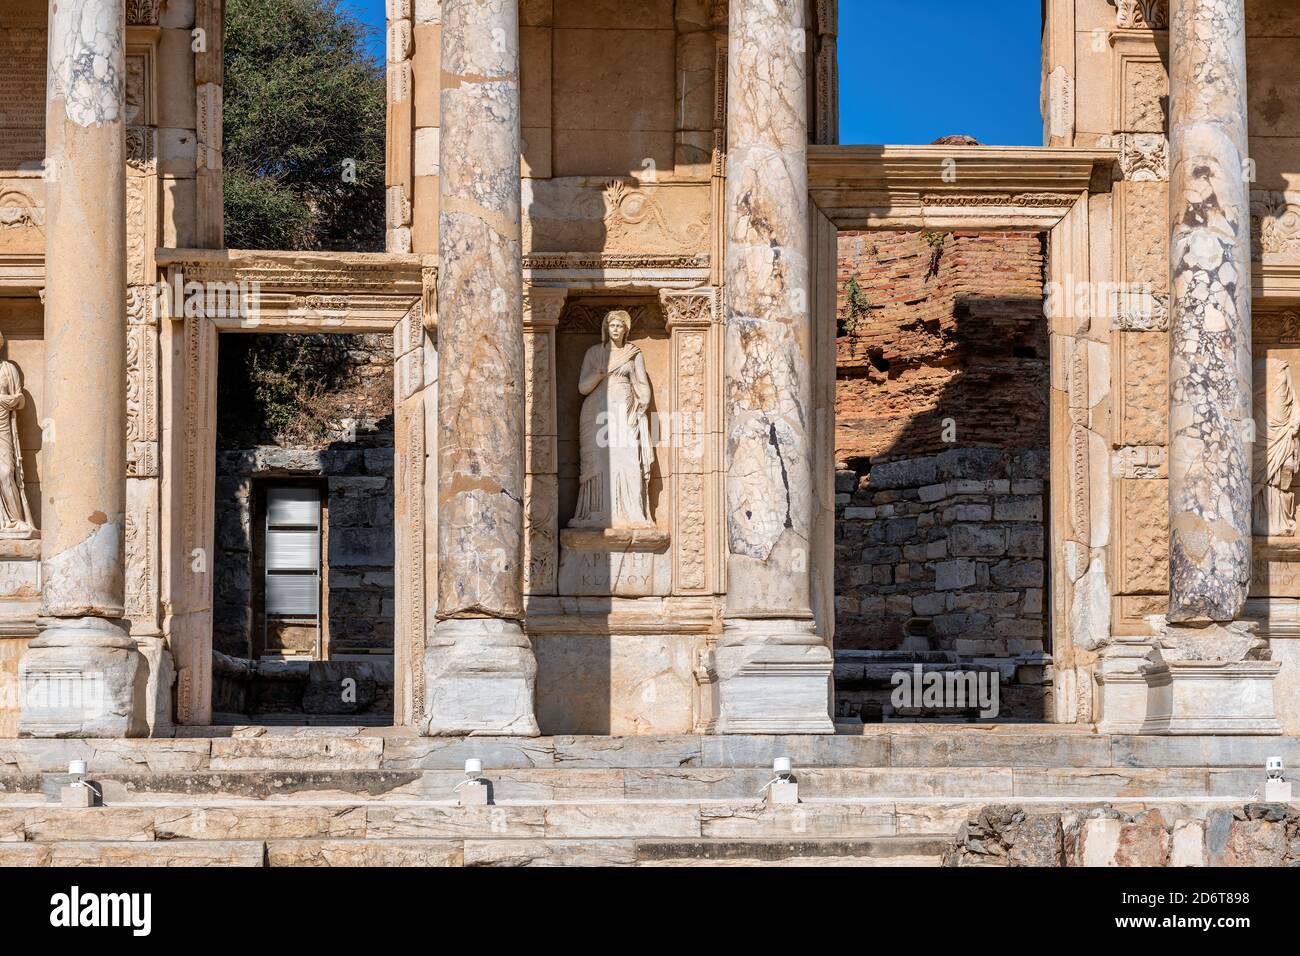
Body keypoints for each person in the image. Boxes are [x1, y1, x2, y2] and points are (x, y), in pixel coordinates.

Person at [571, 310, 654, 529]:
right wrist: (599, 374)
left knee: (629, 458)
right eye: (612, 326)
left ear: (626, 329)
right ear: (606, 329)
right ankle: (594, 512)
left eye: (619, 326)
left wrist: (644, 399)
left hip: (624, 410)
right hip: (596, 411)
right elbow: (582, 388)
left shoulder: (633, 353)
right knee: (597, 461)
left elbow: (641, 382)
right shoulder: (594, 353)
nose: (615, 329)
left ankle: (633, 513)